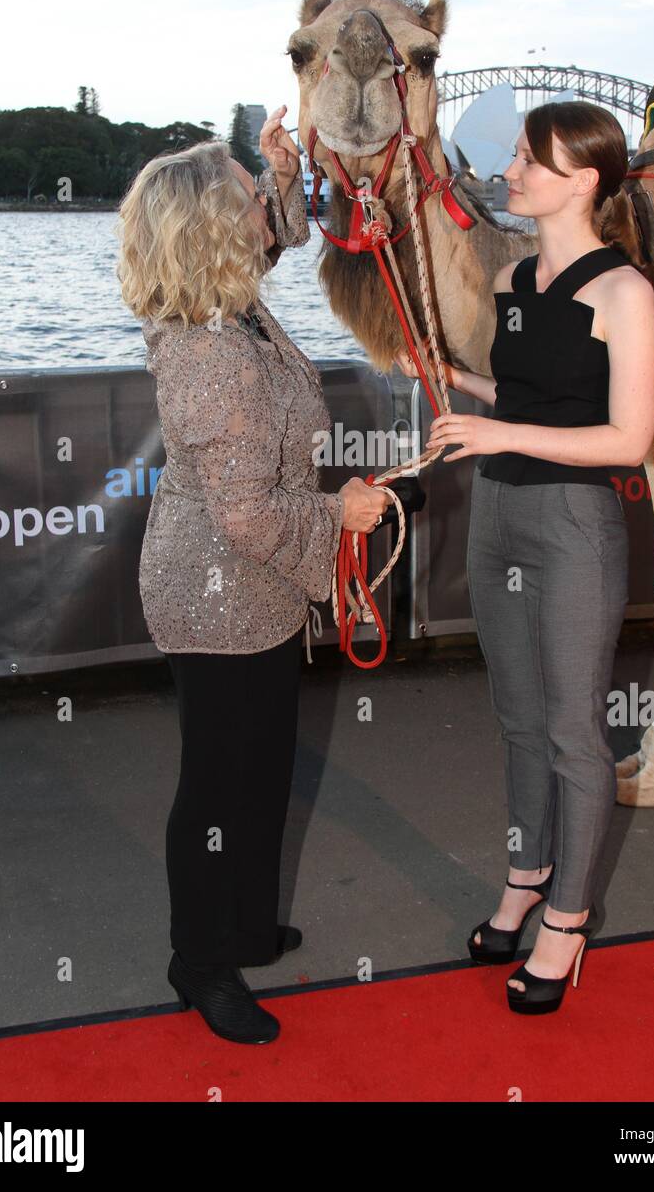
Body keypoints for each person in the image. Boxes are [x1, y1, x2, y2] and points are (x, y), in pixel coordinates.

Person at [116, 107, 392, 1045]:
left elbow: (277, 235)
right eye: (246, 198)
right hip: (216, 592)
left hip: (258, 585)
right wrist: (338, 514)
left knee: (263, 774)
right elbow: (244, 514)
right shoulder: (206, 354)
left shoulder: (226, 300)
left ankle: (241, 925)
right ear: (211, 231)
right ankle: (200, 960)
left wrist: (277, 171)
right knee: (221, 788)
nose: (261, 214)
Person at [396, 101, 654, 1015]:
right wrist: (443, 373)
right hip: (497, 514)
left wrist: (497, 425)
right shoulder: (512, 281)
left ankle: (568, 921)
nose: (510, 171)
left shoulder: (624, 292)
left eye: (528, 159)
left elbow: (628, 439)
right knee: (516, 719)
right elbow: (525, 393)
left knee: (572, 732)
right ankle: (525, 874)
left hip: (574, 527)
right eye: (514, 155)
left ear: (583, 180)